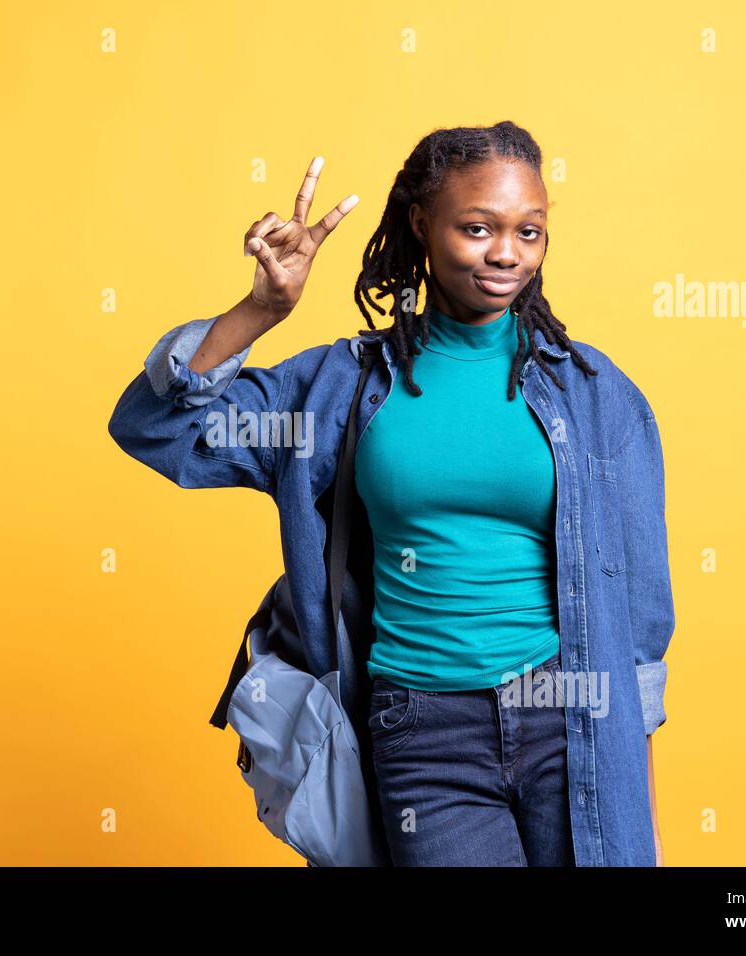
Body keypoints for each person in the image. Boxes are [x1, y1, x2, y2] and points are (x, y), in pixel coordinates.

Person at [108, 122, 675, 866]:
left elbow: (638, 636)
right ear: (422, 224)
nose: (506, 253)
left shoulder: (595, 394)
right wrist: (260, 312)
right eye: (478, 228)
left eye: (528, 232)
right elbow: (157, 427)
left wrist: (639, 817)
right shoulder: (340, 389)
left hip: (569, 719)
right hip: (423, 729)